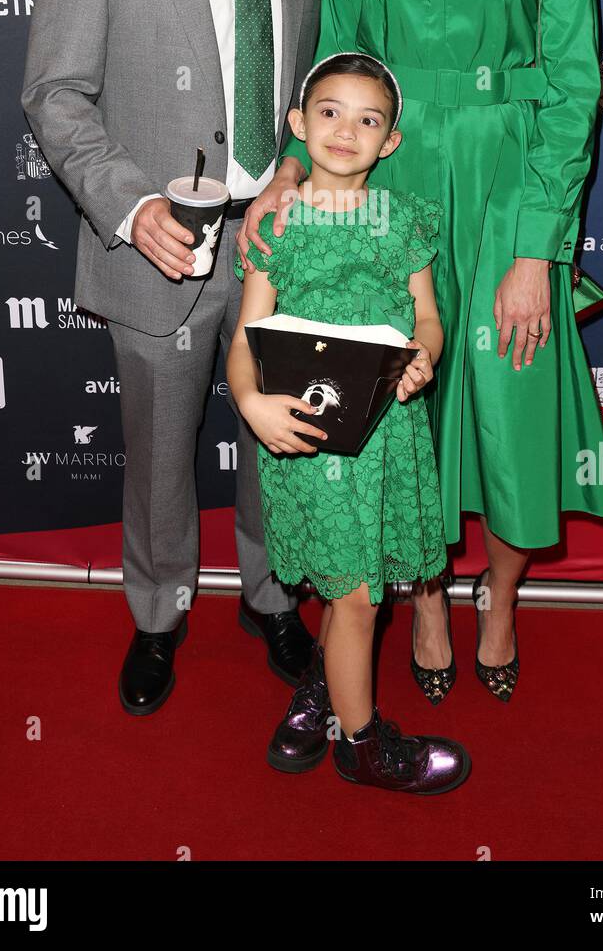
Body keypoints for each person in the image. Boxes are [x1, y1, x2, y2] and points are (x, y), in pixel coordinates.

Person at [237, 0, 603, 706]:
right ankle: (429, 598)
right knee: (401, 415)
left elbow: (576, 84)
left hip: (507, 192)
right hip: (390, 192)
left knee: (508, 405)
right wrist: (294, 171)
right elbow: (337, 69)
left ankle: (499, 591)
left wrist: (537, 247)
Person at [22, 0, 330, 717]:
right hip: (158, 244)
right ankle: (158, 614)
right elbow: (56, 94)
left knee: (279, 439)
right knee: (158, 446)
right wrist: (127, 204)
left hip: (285, 241)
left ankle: (271, 593)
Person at [226, 53, 471, 794]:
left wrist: (422, 359)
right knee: (358, 595)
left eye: (369, 120)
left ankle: (320, 697)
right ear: (298, 125)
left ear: (390, 141)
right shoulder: (277, 227)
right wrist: (250, 403)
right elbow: (245, 339)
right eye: (329, 112)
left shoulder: (405, 221)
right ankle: (362, 747)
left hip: (389, 431)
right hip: (305, 436)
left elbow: (427, 318)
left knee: (351, 587)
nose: (346, 131)